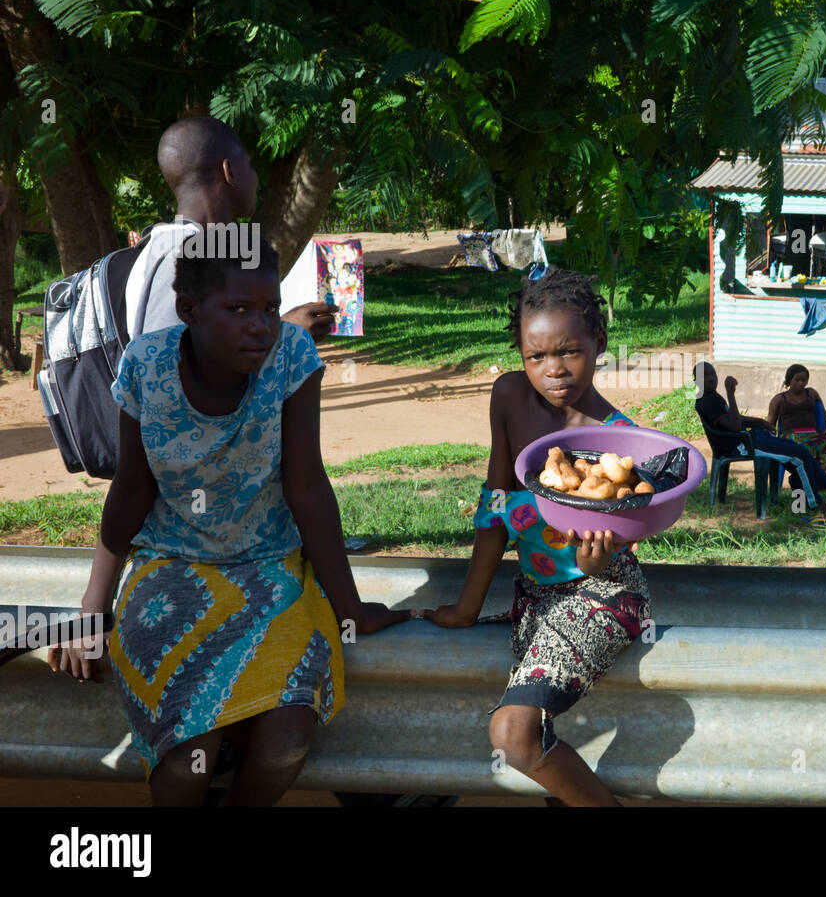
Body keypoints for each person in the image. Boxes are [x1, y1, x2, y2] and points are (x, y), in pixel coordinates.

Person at [47, 234, 410, 806]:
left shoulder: (292, 356)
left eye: (269, 307)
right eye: (238, 310)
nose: (261, 326)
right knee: (190, 761)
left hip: (269, 568)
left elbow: (307, 486)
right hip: (170, 568)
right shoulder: (146, 365)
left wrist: (352, 607)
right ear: (189, 311)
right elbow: (131, 492)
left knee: (285, 743)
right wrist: (94, 608)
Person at [424, 267, 647, 807]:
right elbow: (496, 505)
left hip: (601, 594)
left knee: (514, 733)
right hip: (536, 598)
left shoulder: (619, 444)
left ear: (600, 342)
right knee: (548, 756)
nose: (553, 370)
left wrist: (596, 565)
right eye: (536, 356)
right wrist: (467, 605)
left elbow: (621, 546)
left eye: (568, 351)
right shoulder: (509, 398)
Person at [126, 116, 337, 342]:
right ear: (230, 172)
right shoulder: (181, 257)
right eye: (248, 164)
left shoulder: (180, 249)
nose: (256, 177)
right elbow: (163, 364)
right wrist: (286, 334)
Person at [694, 361, 826, 524]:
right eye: (705, 375)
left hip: (748, 439)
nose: (711, 378)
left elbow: (734, 419)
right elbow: (733, 425)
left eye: (713, 374)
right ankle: (818, 506)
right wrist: (730, 393)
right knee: (800, 454)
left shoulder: (712, 397)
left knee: (795, 448)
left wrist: (760, 422)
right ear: (697, 380)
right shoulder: (706, 402)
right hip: (740, 446)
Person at [767, 364, 826, 480]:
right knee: (804, 447)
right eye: (797, 380)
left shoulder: (811, 394)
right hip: (790, 436)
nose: (801, 383)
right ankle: (814, 475)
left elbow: (823, 414)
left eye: (804, 380)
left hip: (813, 434)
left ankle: (822, 470)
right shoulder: (779, 399)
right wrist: (772, 442)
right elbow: (770, 425)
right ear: (789, 380)